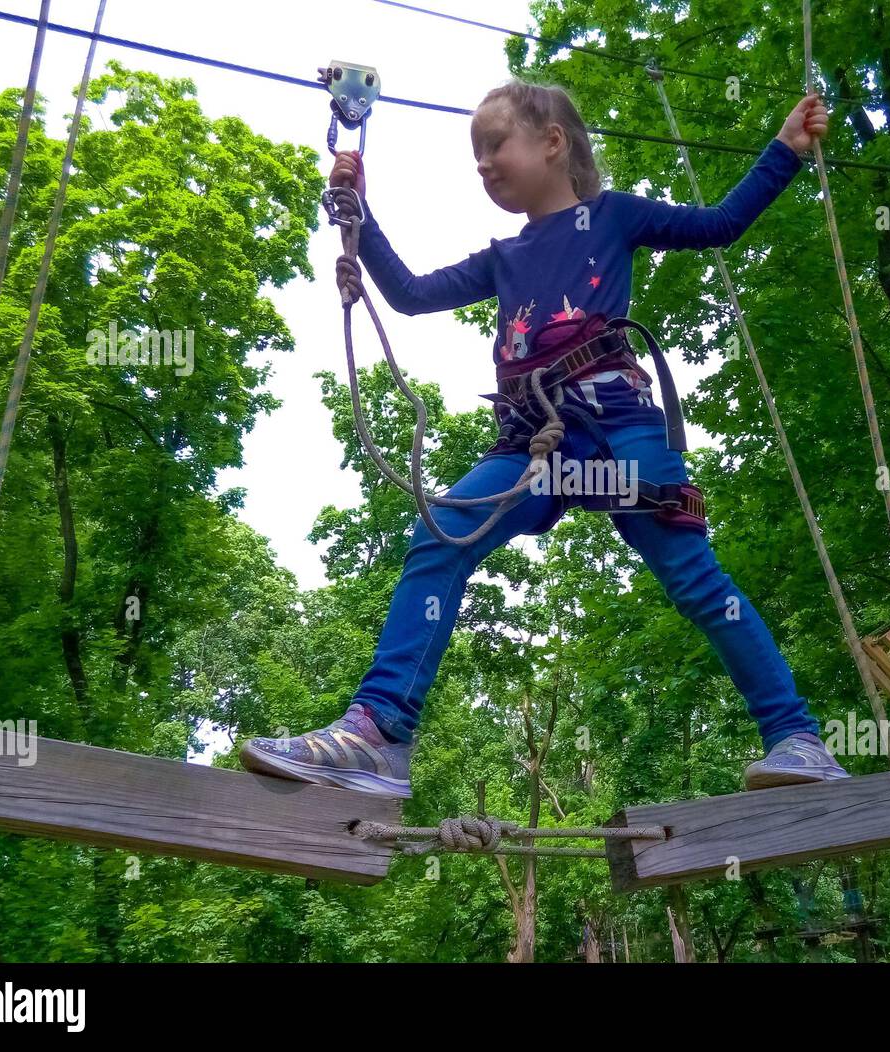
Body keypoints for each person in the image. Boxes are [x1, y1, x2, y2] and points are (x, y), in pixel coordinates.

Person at [240, 77, 848, 797]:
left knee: (690, 573)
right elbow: (408, 294)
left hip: (618, 427)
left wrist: (785, 148)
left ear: (553, 142)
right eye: (476, 155)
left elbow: (718, 223)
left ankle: (798, 740)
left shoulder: (614, 218)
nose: (483, 164)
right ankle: (379, 734)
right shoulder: (504, 259)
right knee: (442, 535)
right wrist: (358, 218)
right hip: (534, 445)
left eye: (494, 144)